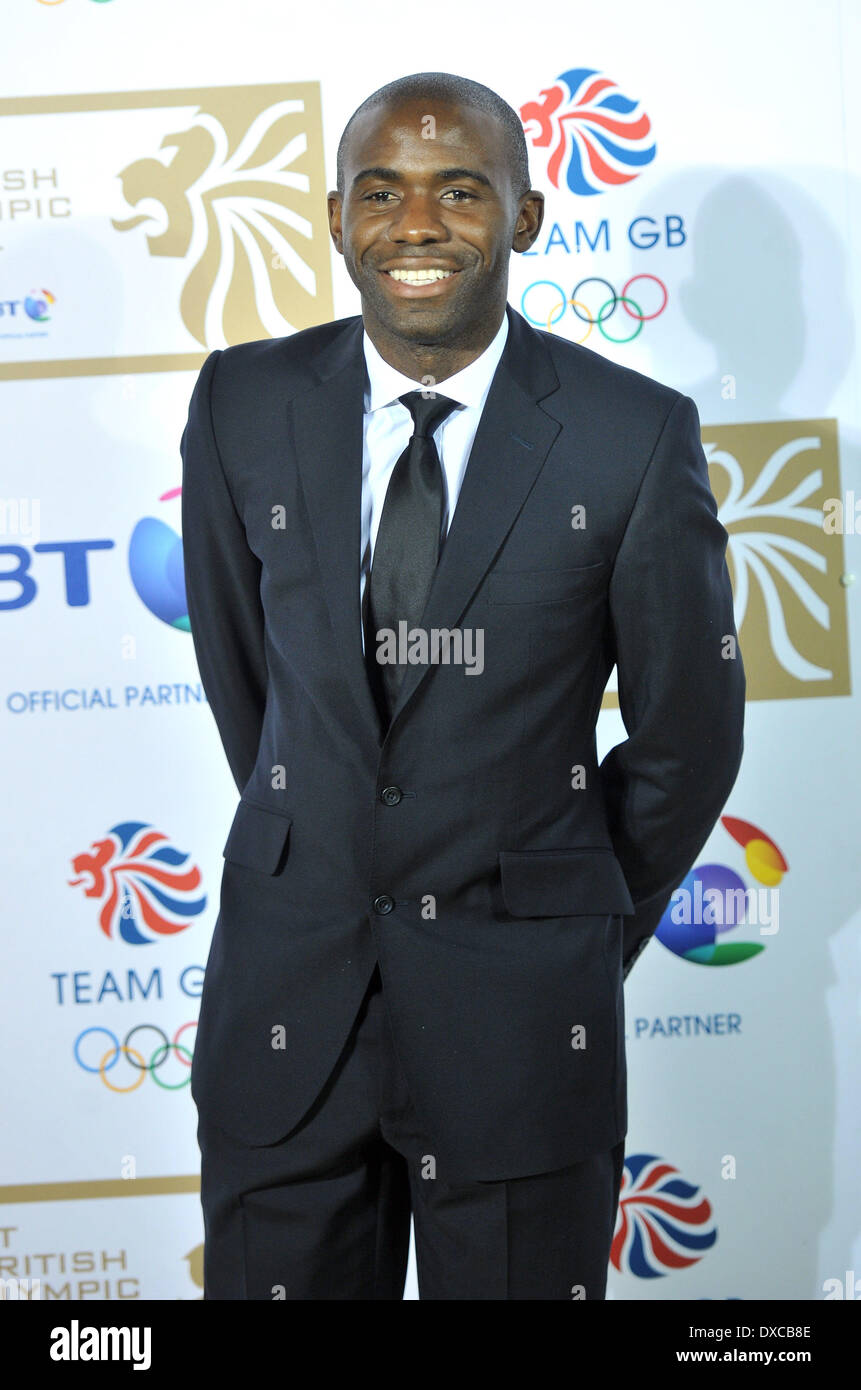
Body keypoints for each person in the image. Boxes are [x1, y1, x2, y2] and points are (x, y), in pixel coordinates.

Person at [180, 70, 745, 1300]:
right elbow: (248, 683)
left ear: (529, 218)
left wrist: (574, 924)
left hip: (524, 1019)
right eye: (379, 192)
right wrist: (327, 838)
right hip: (288, 1008)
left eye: (459, 191)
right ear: (336, 219)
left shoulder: (631, 434)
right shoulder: (243, 399)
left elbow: (688, 737)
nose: (416, 225)